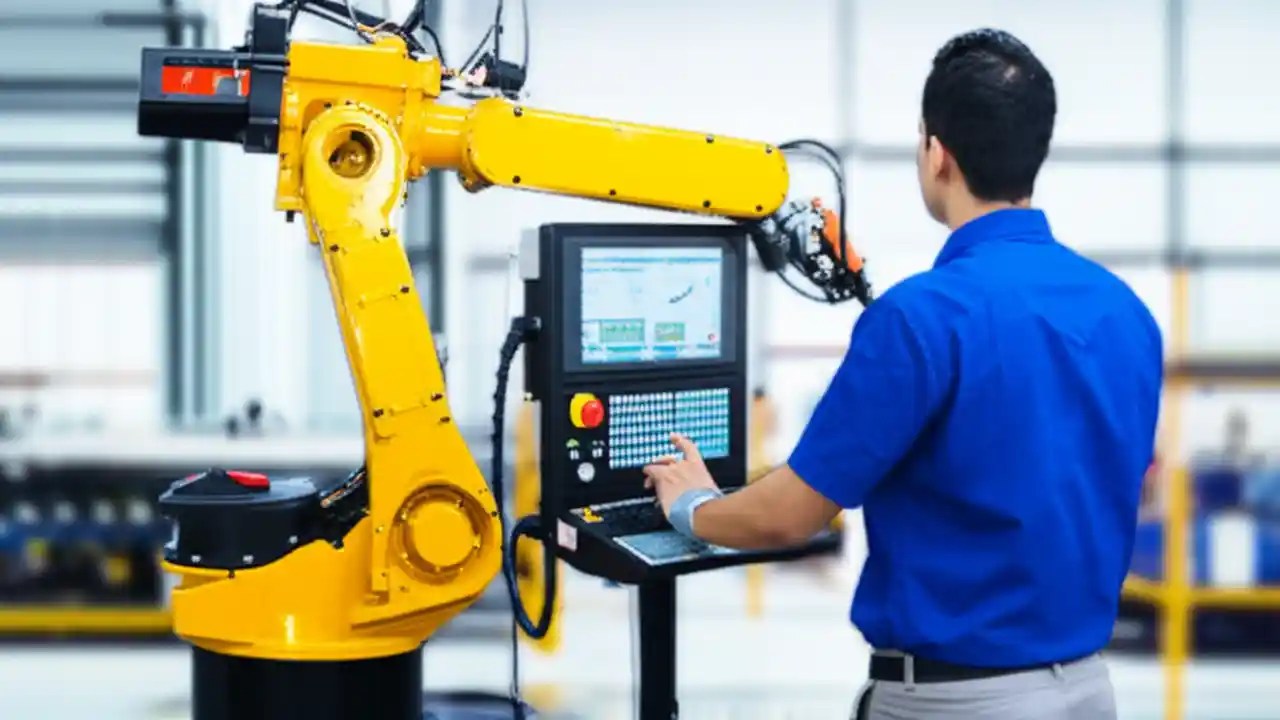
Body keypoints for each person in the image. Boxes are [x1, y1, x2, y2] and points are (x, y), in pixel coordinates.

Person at [643, 28, 1163, 720]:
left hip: (957, 701)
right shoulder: (1126, 313)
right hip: (1090, 693)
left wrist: (692, 506)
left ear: (936, 153)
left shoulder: (919, 319)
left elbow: (789, 516)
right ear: (1033, 150)